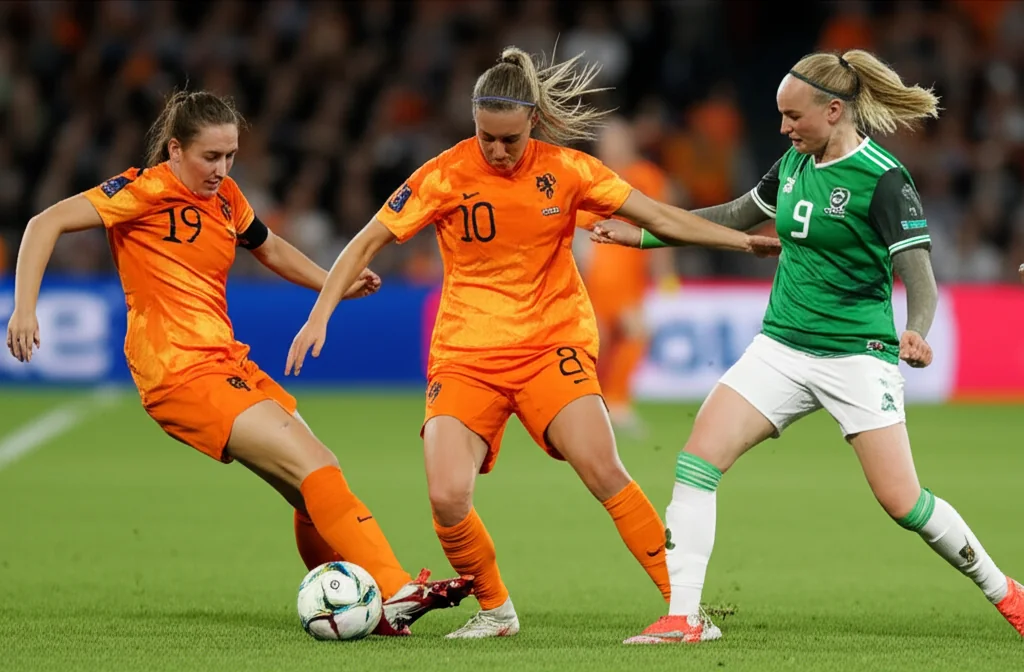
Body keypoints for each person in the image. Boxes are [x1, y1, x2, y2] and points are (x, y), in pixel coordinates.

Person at [285, 46, 781, 639]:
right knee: (446, 496)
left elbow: (660, 216)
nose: (495, 150)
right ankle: (496, 611)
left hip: (552, 344)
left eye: (509, 140)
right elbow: (367, 240)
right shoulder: (443, 174)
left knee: (602, 467)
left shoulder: (569, 171)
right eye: (485, 136)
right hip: (467, 354)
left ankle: (683, 609)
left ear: (533, 125)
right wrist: (321, 313)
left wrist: (744, 244)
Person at [590, 50, 1024, 643]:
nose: (784, 128)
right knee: (696, 462)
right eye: (781, 117)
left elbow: (919, 276)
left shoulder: (884, 179)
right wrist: (644, 235)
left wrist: (916, 328)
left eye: (793, 117)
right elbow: (736, 216)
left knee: (904, 502)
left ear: (835, 110)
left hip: (856, 355)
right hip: (781, 349)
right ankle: (684, 617)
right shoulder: (794, 162)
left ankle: (1007, 593)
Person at [5, 90, 472, 636]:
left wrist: (333, 284)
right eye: (210, 157)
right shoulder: (144, 190)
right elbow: (44, 223)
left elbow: (269, 247)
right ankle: (394, 590)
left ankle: (351, 609)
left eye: (230, 156)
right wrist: (25, 308)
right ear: (175, 150)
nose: (222, 169)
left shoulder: (226, 197)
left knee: (314, 485)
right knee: (315, 467)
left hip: (227, 360)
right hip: (179, 370)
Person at [576, 116, 678, 436]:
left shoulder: (644, 177)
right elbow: (574, 223)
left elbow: (663, 224)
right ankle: (613, 404)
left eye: (616, 140)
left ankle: (595, 407)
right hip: (603, 272)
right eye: (607, 141)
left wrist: (665, 271)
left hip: (629, 272)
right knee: (626, 334)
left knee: (611, 340)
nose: (611, 146)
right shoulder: (593, 177)